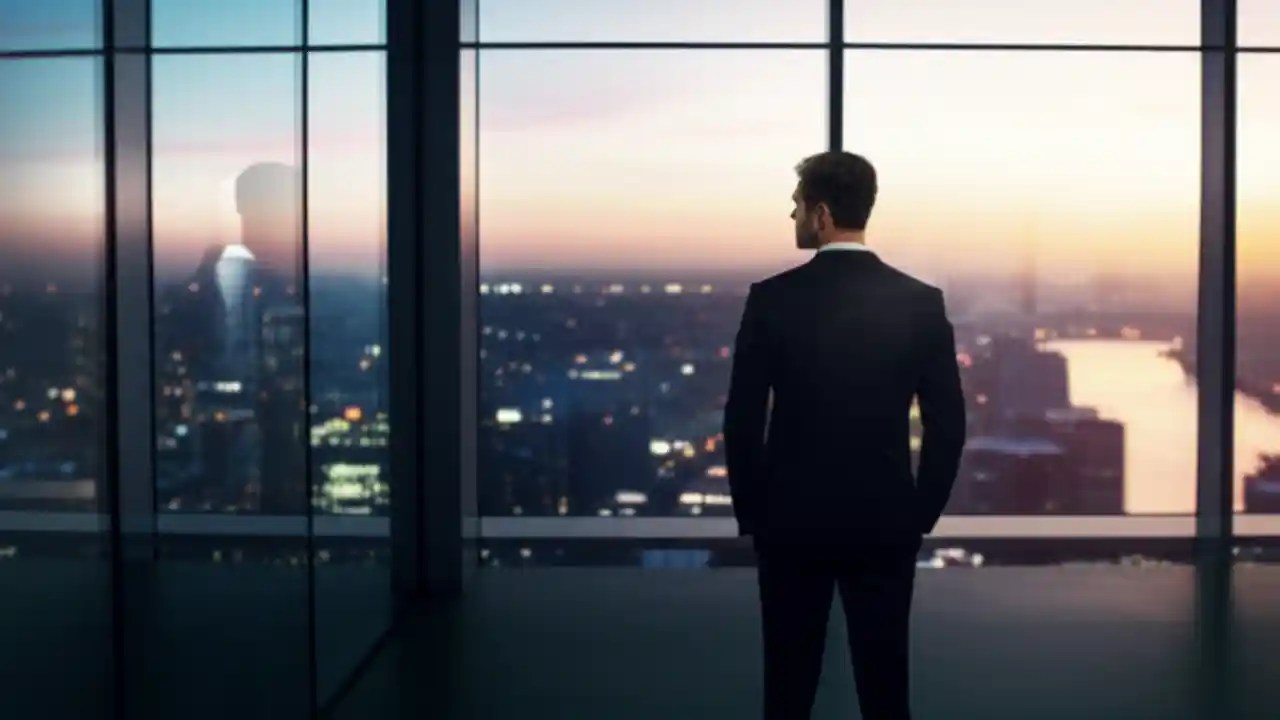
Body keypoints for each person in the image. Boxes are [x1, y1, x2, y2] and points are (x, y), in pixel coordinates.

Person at [723, 151, 966, 720]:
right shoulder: (921, 302)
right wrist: (918, 515)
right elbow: (948, 424)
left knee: (788, 689)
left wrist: (755, 515)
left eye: (796, 205)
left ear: (822, 214)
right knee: (886, 689)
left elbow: (743, 418)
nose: (792, 217)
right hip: (884, 522)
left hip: (790, 524)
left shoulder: (772, 299)